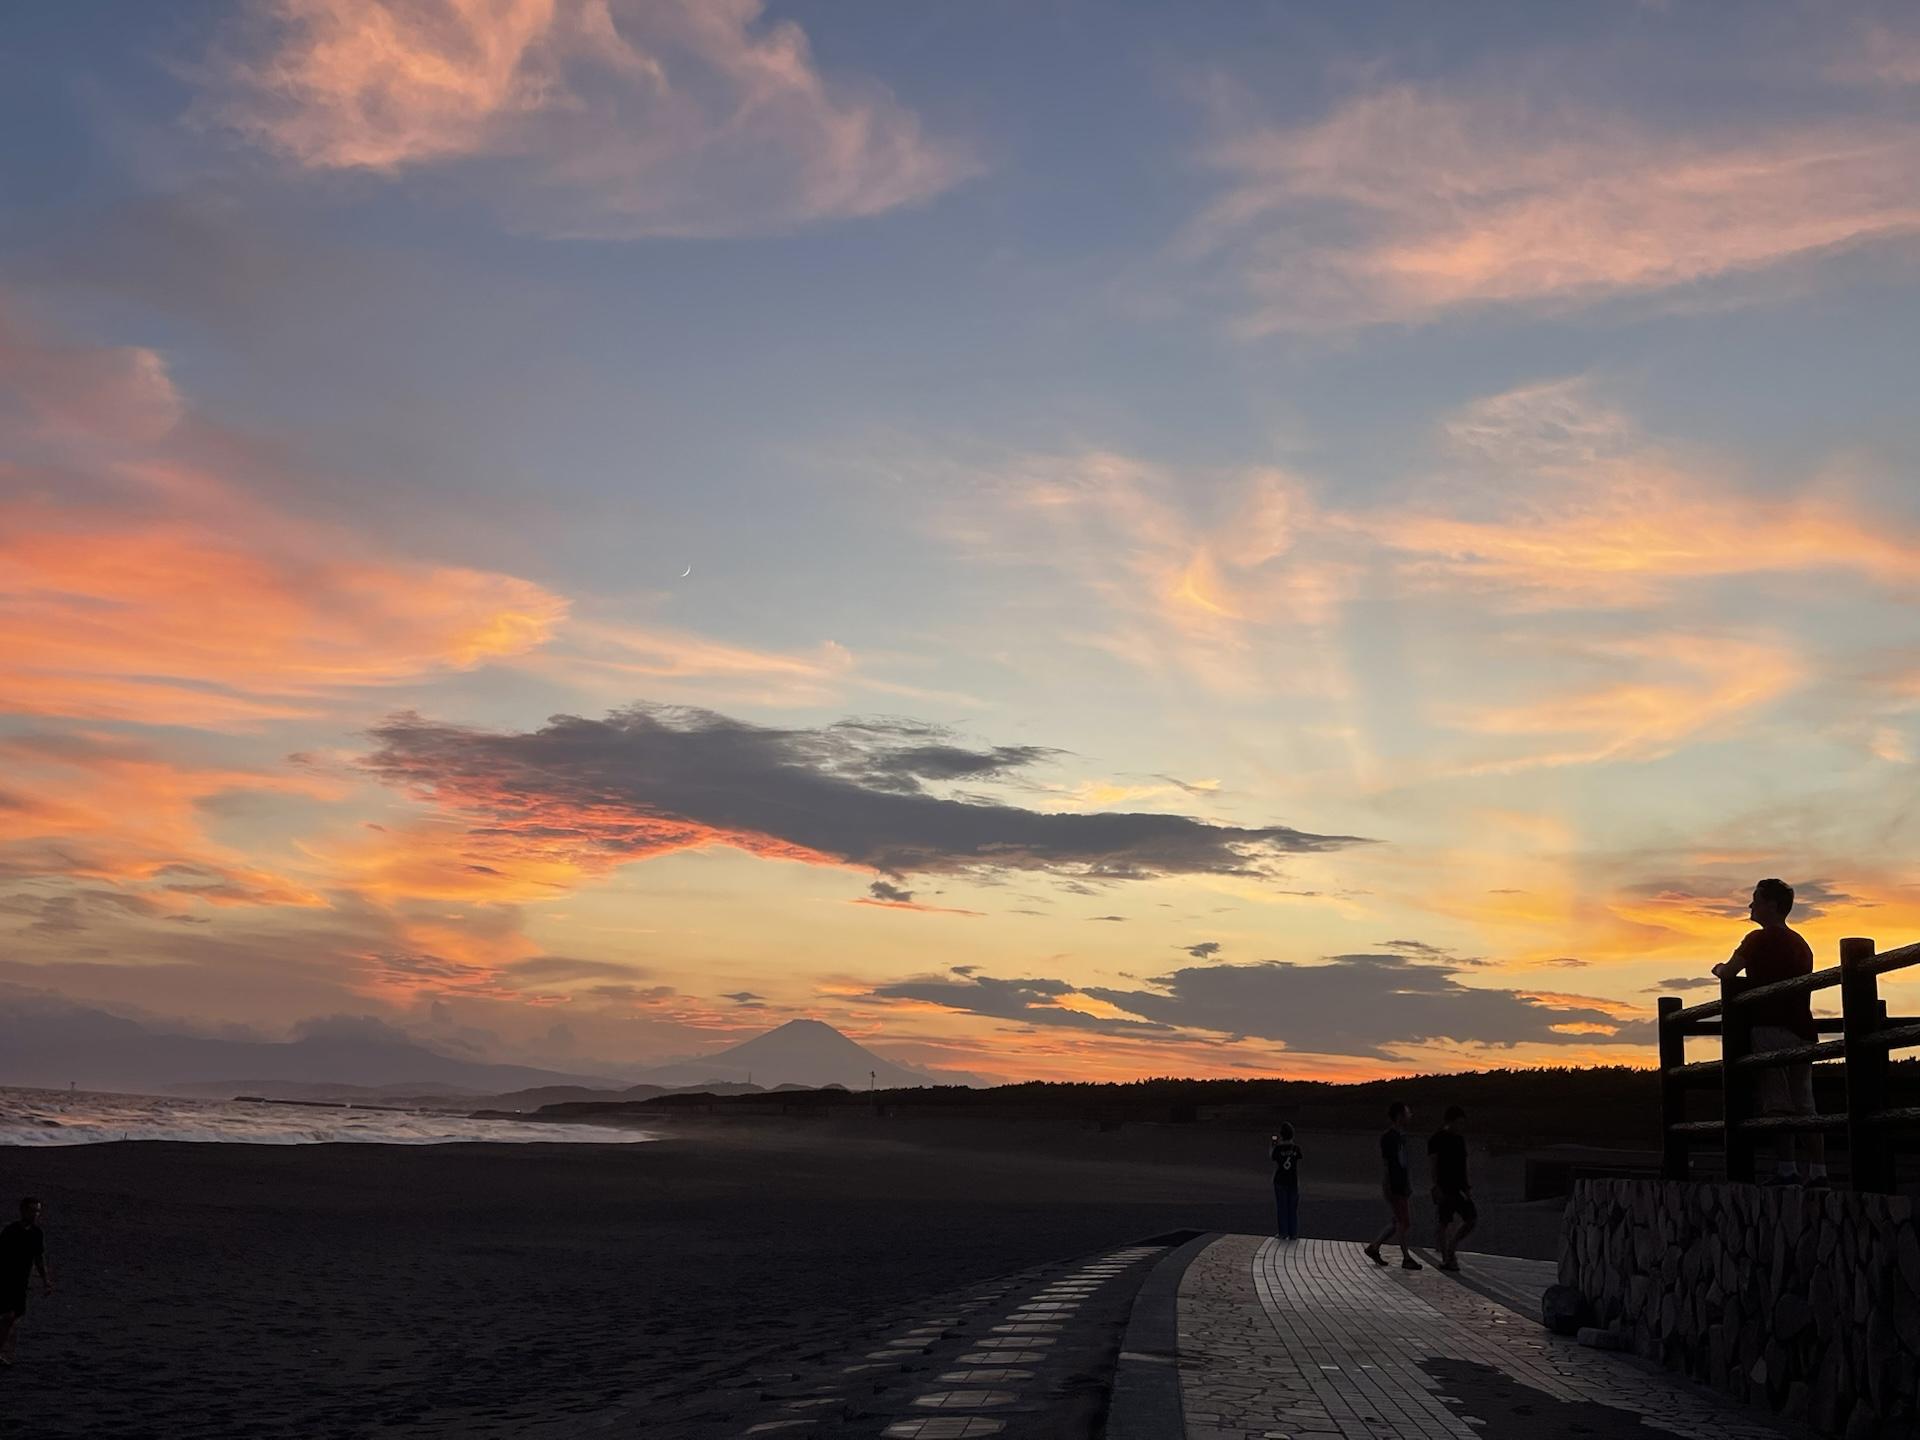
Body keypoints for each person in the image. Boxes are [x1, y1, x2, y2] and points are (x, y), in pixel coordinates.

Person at [1713, 878, 1827, 1187]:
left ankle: (1787, 1169)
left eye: (1756, 899)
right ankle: (1819, 1171)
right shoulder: (1801, 943)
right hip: (1803, 1028)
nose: (1751, 905)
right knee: (1805, 1102)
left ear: (1771, 905)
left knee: (1777, 1100)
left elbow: (1729, 973)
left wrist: (1718, 968)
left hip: (1769, 1027)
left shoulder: (1756, 940)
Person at [1364, 1101, 1421, 1270]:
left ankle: (1374, 1247)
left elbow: (1403, 1163)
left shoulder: (1400, 1137)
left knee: (1399, 1220)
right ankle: (1405, 1257)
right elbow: (1388, 1163)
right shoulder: (1390, 1138)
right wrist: (1389, 1184)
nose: (1410, 1116)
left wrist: (1407, 1182)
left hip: (1400, 1183)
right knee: (1403, 1221)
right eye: (1407, 1112)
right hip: (1395, 1185)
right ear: (1399, 1116)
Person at [0, 1197, 53, 1366]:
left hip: (21, 1282)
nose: (35, 1214)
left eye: (37, 1211)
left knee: (15, 1317)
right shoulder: (11, 1231)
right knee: (8, 1315)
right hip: (6, 1279)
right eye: (32, 1210)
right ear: (23, 1210)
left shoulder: (37, 1233)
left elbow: (39, 1258)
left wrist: (46, 1280)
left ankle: (5, 1351)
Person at [1428, 1106, 1476, 1272]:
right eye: (1459, 1122)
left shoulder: (1459, 1140)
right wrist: (1436, 1186)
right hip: (1444, 1187)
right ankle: (1446, 1259)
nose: (1461, 1126)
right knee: (1444, 1222)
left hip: (1460, 1188)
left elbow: (1463, 1165)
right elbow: (1433, 1165)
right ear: (1451, 1121)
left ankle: (1451, 1246)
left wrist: (1467, 1187)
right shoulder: (1437, 1139)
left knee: (1471, 1219)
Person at [1269, 1124, 1303, 1240]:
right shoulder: (1296, 1148)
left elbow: (1272, 1157)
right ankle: (1293, 1232)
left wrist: (1273, 1145)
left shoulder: (1278, 1149)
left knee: (1282, 1207)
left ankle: (1283, 1232)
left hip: (1280, 1179)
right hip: (1292, 1180)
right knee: (1292, 1208)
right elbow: (1299, 1158)